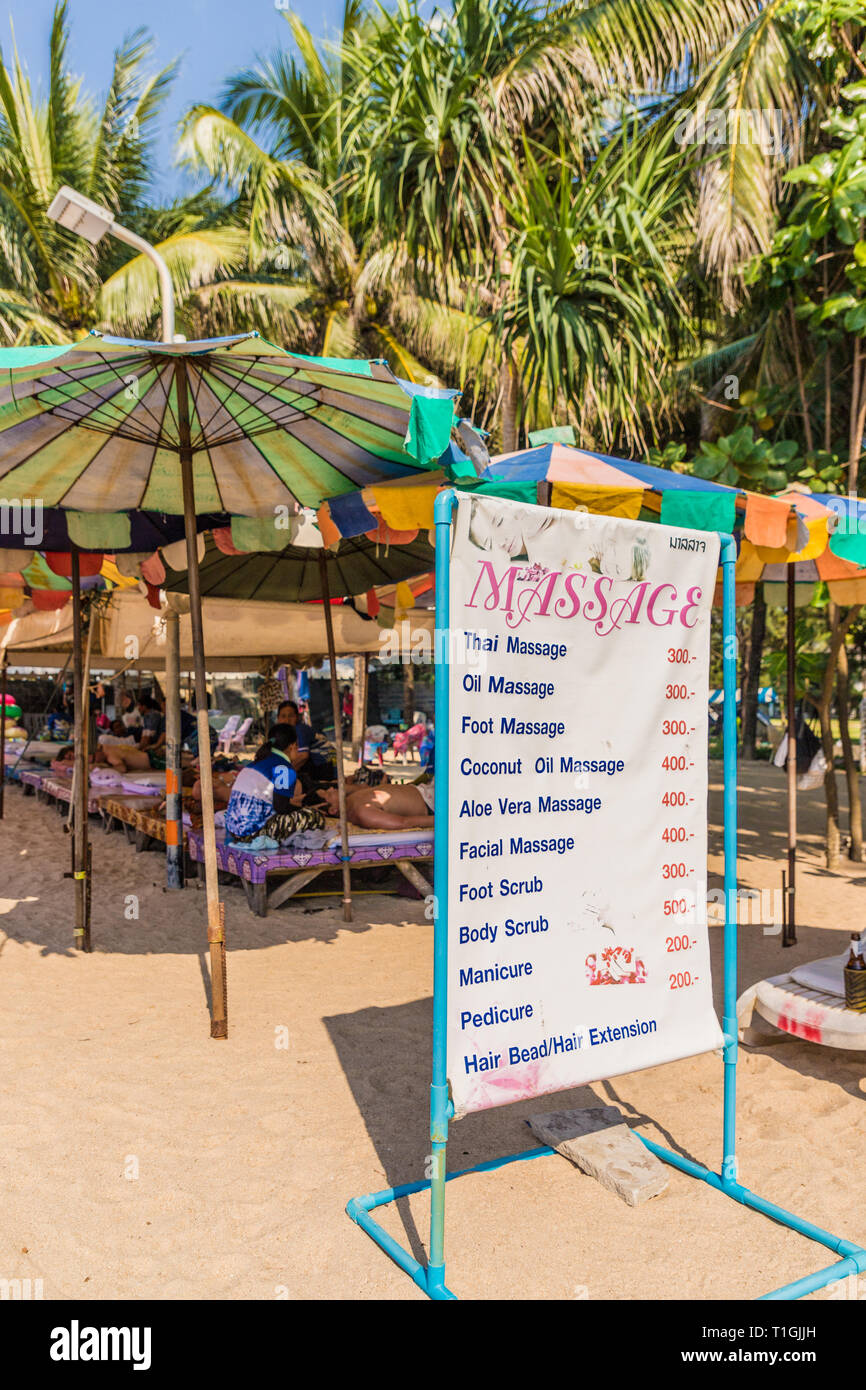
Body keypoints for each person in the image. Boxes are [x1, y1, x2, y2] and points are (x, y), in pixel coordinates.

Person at [223, 724, 303, 845]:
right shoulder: (284, 768)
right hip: (251, 833)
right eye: (297, 745)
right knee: (311, 816)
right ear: (292, 746)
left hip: (233, 830)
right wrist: (301, 809)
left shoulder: (257, 762)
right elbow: (281, 807)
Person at [317, 778, 434, 830]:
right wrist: (443, 820)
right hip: (431, 803)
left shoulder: (351, 799)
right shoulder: (362, 812)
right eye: (328, 794)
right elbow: (402, 822)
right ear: (333, 810)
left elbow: (362, 787)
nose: (332, 788)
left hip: (425, 790)